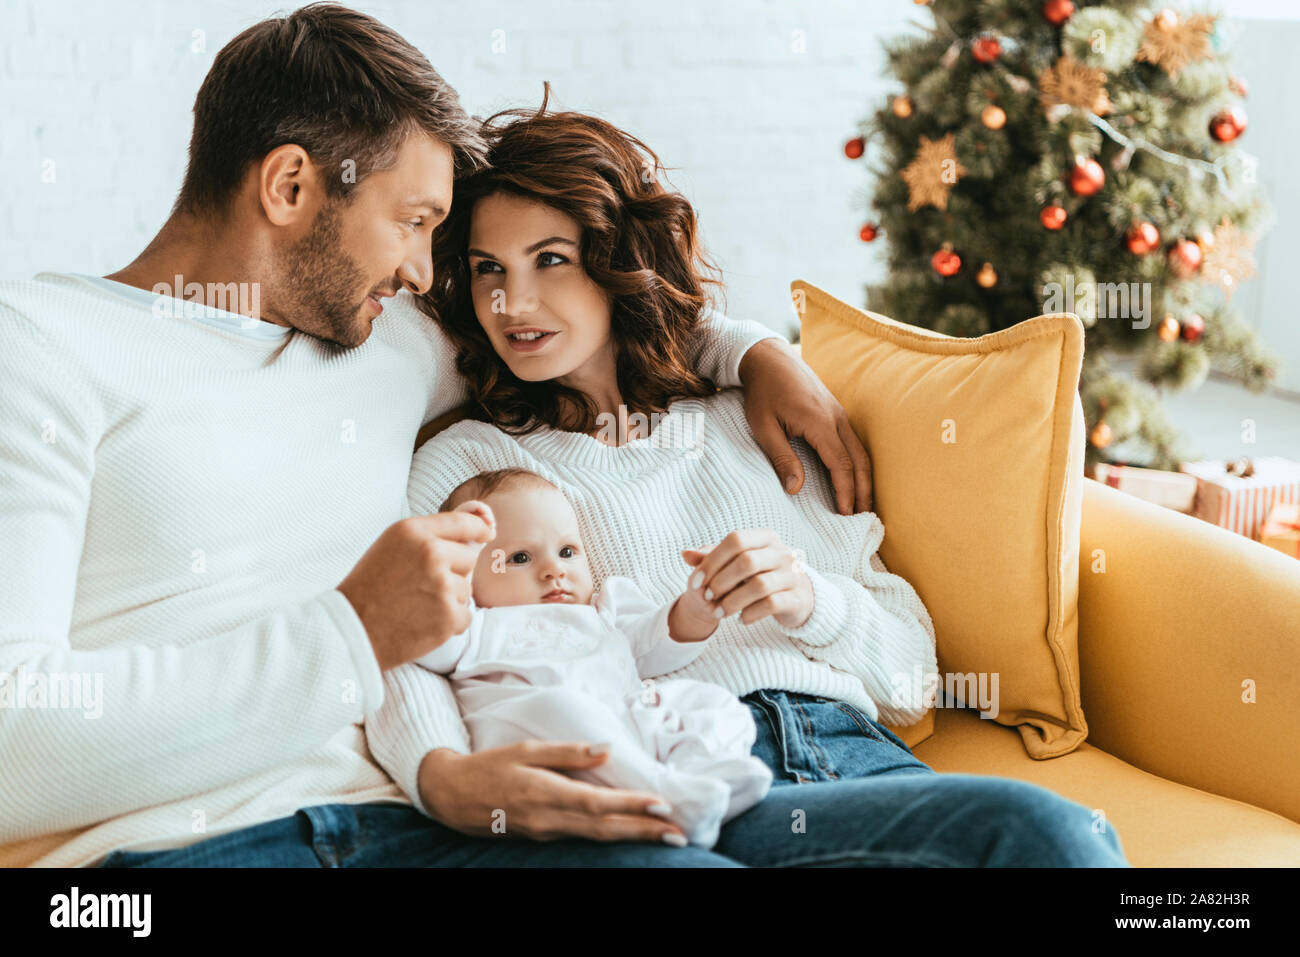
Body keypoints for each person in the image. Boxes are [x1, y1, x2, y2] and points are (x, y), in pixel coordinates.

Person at [0, 4, 873, 868]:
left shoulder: (384, 336)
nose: (425, 270)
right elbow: (12, 747)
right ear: (290, 185)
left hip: (418, 830)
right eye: (413, 221)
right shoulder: (40, 346)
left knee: (990, 832)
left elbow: (584, 309)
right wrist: (353, 634)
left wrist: (751, 350)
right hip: (180, 851)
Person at [398, 91, 1132, 867]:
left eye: (551, 258)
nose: (512, 302)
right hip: (676, 772)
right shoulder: (468, 464)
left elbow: (915, 680)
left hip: (853, 761)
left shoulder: (761, 418)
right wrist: (445, 779)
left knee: (1054, 833)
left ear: (619, 264)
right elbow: (406, 651)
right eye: (488, 271)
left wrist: (813, 599)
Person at [414, 469, 774, 848]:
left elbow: (656, 648)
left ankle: (700, 775)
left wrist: (697, 610)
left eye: (567, 551)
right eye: (520, 557)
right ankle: (664, 796)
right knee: (560, 706)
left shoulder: (604, 614)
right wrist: (445, 580)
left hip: (629, 730)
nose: (555, 569)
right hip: (543, 746)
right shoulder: (475, 625)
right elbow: (426, 643)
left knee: (708, 701)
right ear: (468, 575)